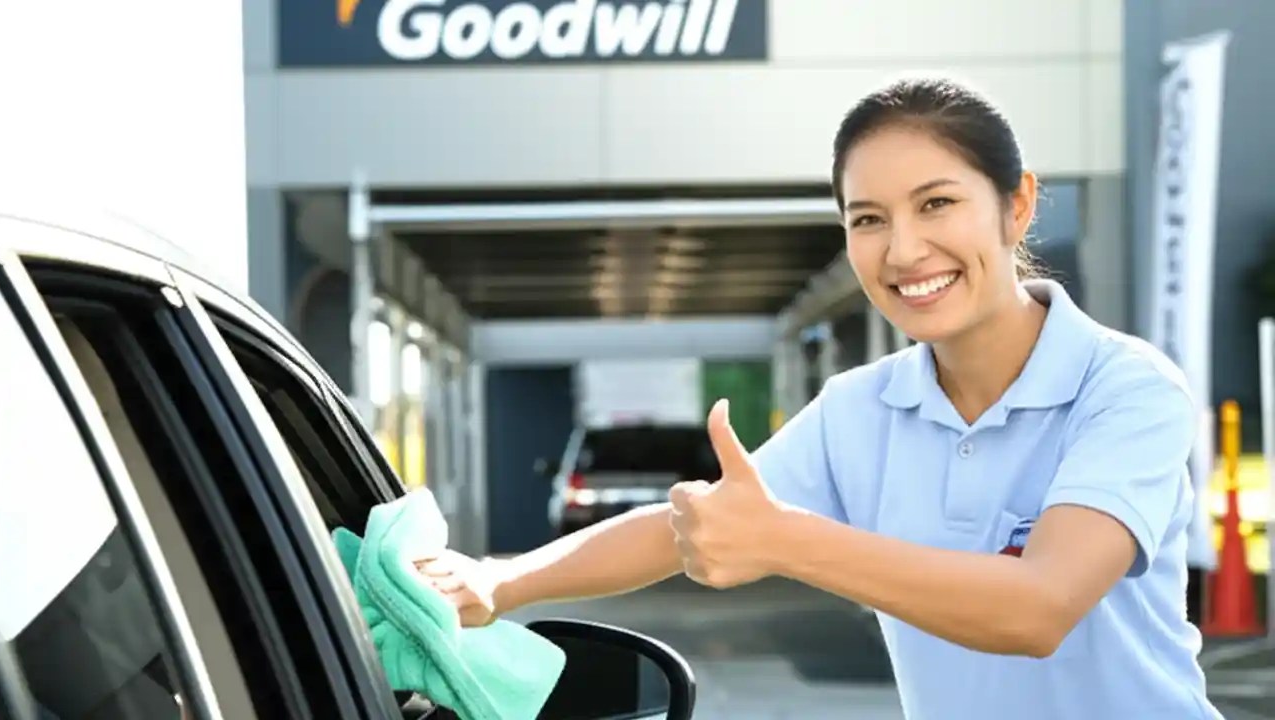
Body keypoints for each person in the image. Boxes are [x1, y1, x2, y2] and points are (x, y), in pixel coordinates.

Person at [415, 77, 1224, 719]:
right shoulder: (860, 409)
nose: (904, 250)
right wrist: (502, 581)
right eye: (868, 218)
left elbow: (1037, 610)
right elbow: (687, 524)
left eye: (937, 203)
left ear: (1016, 205)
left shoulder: (1125, 390)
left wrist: (786, 543)